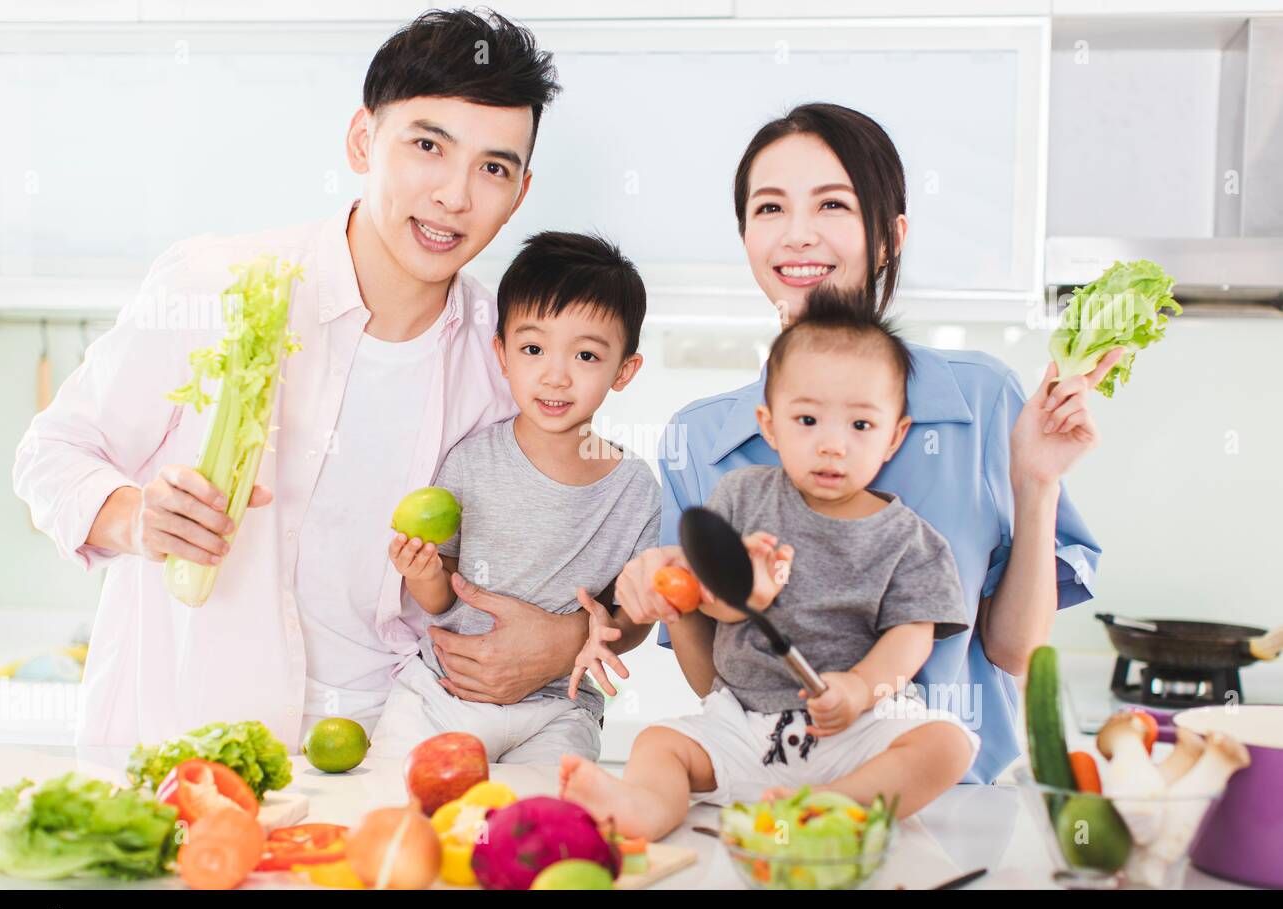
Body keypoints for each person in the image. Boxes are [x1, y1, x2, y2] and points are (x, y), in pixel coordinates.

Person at [11, 10, 587, 747]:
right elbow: (49, 455)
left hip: (392, 749)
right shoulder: (216, 283)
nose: (455, 196)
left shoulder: (510, 360)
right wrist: (132, 516)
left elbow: (586, 544)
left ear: (521, 191)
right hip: (192, 735)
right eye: (426, 146)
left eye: (493, 168)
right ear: (362, 141)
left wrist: (568, 639)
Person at [611, 104, 1125, 783]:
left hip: (952, 805)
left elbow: (1015, 653)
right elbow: (714, 682)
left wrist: (1037, 484)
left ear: (889, 236)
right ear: (744, 237)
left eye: (832, 205)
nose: (798, 235)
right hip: (771, 799)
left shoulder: (985, 401)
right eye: (769, 209)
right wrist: (672, 594)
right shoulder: (699, 441)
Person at [561, 289, 978, 837]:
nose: (832, 445)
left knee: (945, 744)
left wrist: (859, 689)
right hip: (741, 724)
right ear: (769, 425)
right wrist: (740, 596)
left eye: (859, 426)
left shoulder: (909, 540)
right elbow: (710, 605)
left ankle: (833, 803)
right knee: (658, 744)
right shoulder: (741, 497)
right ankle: (643, 807)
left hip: (858, 730)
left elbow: (913, 636)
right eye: (807, 420)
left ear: (895, 436)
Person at [372, 232, 660, 762]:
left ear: (624, 370)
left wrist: (606, 630)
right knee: (397, 803)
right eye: (533, 349)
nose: (555, 375)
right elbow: (442, 597)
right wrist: (420, 571)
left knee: (547, 827)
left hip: (557, 707)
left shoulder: (636, 491)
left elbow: (631, 619)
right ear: (502, 355)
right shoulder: (470, 460)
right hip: (442, 693)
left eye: (587, 355)